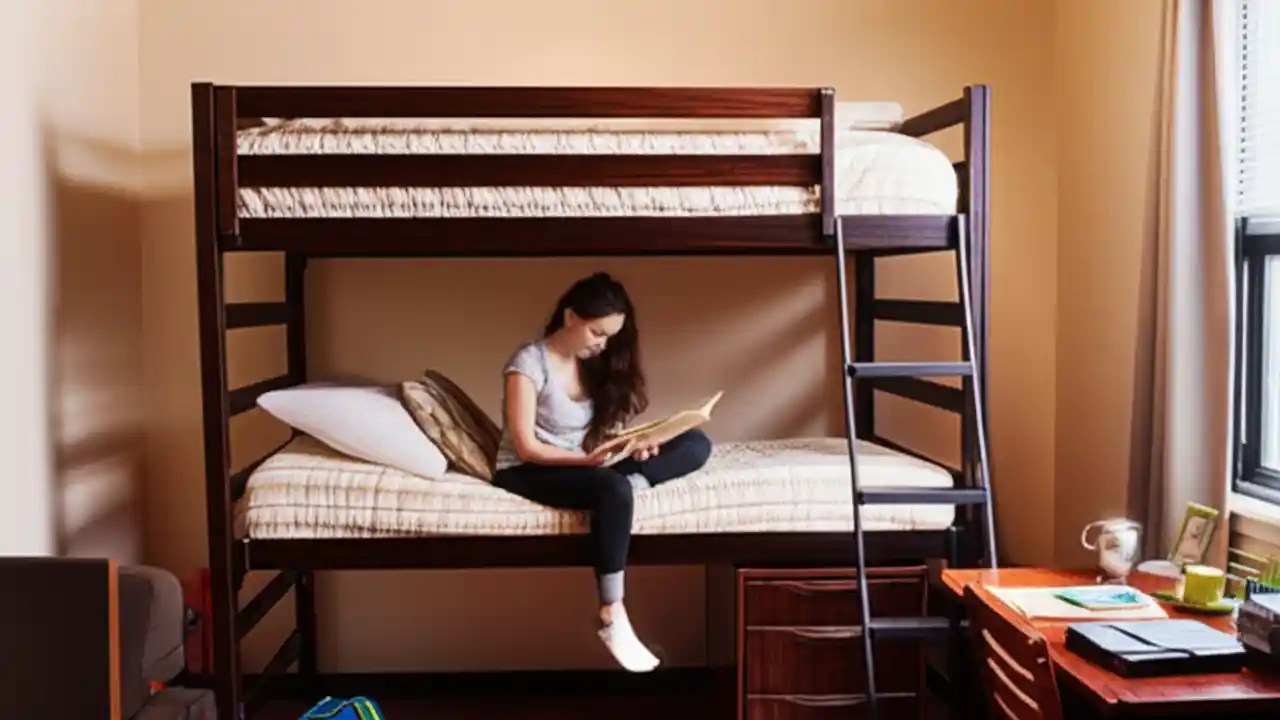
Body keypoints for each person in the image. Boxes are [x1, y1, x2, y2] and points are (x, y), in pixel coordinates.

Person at [491, 272, 712, 672]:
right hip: (527, 469)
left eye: (609, 336)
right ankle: (612, 609)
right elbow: (527, 445)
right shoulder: (527, 363)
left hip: (581, 463)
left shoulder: (590, 364)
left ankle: (624, 488)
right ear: (570, 316)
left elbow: (592, 437)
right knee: (609, 488)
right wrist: (588, 464)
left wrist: (635, 444)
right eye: (597, 332)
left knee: (696, 443)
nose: (602, 344)